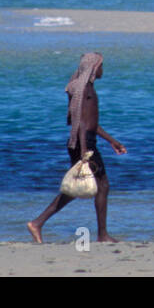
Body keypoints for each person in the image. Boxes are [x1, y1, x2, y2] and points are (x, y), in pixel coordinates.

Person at [27, 52, 127, 243]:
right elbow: (81, 123)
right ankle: (102, 235)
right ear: (93, 68)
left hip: (83, 141)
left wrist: (111, 140)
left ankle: (38, 223)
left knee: (76, 188)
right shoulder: (85, 90)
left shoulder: (83, 88)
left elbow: (91, 123)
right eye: (101, 66)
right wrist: (83, 151)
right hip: (84, 143)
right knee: (102, 185)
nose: (102, 69)